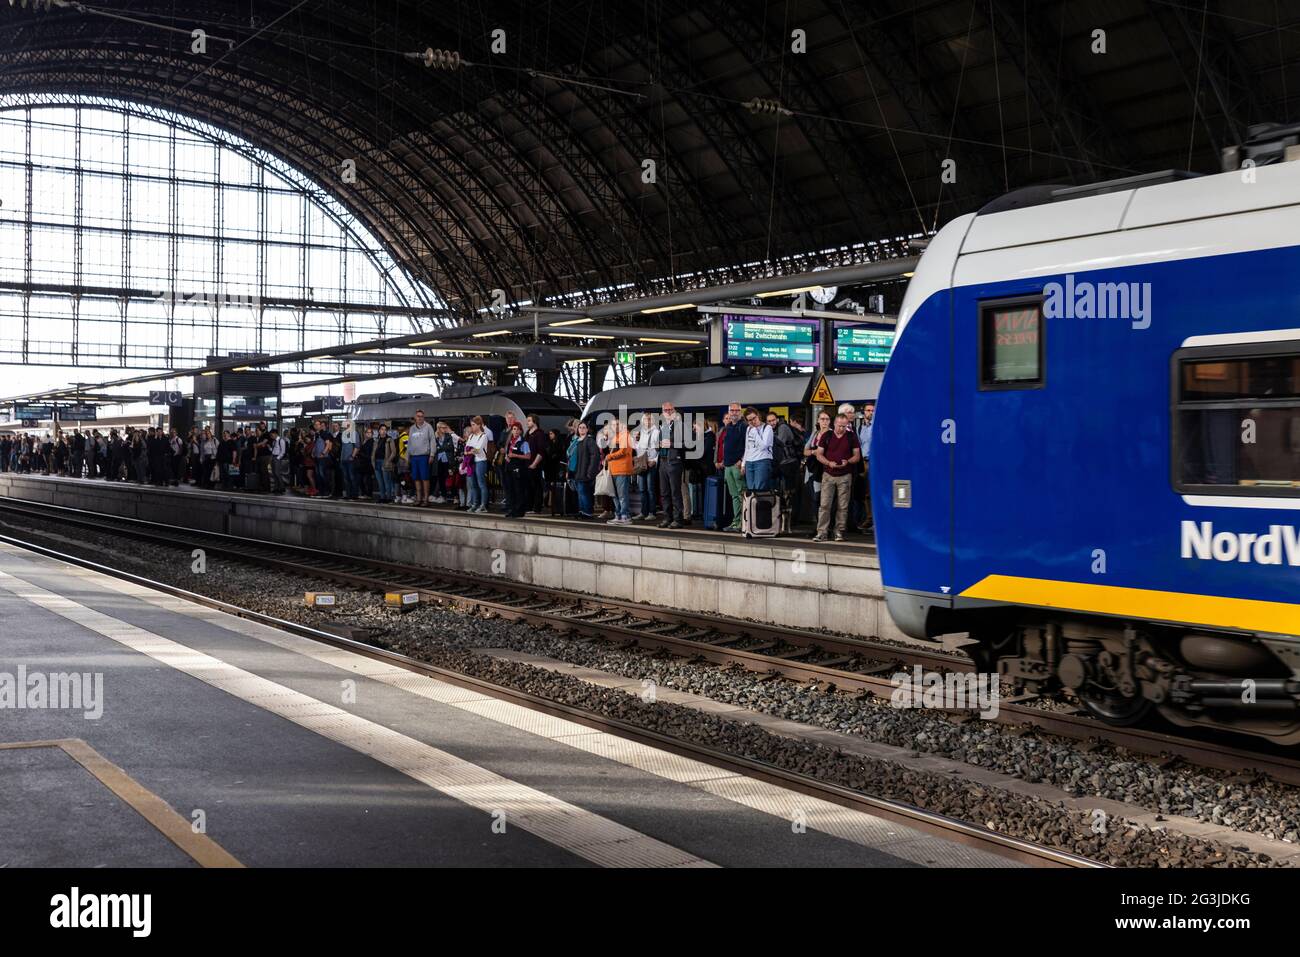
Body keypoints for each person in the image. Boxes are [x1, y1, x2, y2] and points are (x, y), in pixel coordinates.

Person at [814, 413, 861, 542]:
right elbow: (819, 454)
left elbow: (857, 456)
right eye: (839, 426)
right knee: (824, 505)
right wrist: (828, 463)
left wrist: (849, 461)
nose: (841, 429)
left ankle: (839, 531)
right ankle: (822, 532)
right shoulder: (826, 436)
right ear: (834, 423)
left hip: (845, 475)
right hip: (828, 474)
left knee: (843, 506)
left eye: (844, 426)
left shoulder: (851, 437)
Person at [656, 402, 686, 529]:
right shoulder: (662, 427)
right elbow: (660, 444)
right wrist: (658, 445)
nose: (668, 412)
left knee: (675, 492)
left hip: (674, 462)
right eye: (665, 410)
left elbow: (688, 444)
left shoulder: (681, 426)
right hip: (663, 462)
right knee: (664, 493)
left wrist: (671, 443)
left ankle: (678, 519)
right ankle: (667, 518)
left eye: (670, 409)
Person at [717, 403, 747, 531]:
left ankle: (743, 523)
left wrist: (742, 460)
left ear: (740, 412)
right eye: (732, 410)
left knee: (741, 495)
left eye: (737, 410)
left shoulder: (744, 426)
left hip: (737, 465)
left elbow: (748, 445)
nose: (734, 413)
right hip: (728, 466)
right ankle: (736, 522)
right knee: (734, 495)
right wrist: (724, 460)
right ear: (728, 412)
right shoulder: (728, 427)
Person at [605, 417, 634, 525]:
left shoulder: (625, 435)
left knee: (622, 495)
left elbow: (623, 451)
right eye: (613, 425)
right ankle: (618, 515)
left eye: (617, 424)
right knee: (615, 495)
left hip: (622, 469)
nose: (615, 427)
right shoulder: (614, 437)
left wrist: (610, 456)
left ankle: (625, 516)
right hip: (614, 469)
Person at [803, 409, 831, 520]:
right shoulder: (815, 434)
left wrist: (814, 452)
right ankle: (817, 524)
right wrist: (815, 452)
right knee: (815, 498)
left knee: (825, 498)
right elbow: (805, 451)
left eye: (827, 419)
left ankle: (826, 525)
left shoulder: (832, 434)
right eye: (822, 419)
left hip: (826, 469)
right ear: (818, 420)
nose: (824, 421)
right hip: (813, 470)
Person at [633, 411, 659, 521]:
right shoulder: (641, 432)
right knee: (642, 489)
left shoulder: (657, 432)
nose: (647, 421)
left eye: (649, 419)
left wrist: (655, 460)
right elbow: (638, 448)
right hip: (642, 464)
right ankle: (643, 512)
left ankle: (652, 513)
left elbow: (660, 448)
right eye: (645, 419)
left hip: (651, 463)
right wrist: (635, 440)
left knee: (650, 489)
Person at [740, 406, 773, 491]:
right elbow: (747, 447)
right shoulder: (748, 429)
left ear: (758, 415)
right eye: (749, 420)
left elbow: (763, 446)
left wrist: (754, 431)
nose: (753, 421)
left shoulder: (767, 428)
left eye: (754, 418)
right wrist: (743, 464)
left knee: (759, 490)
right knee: (751, 490)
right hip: (749, 462)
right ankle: (752, 505)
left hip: (762, 461)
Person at [406, 410, 434, 506]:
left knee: (425, 478)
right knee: (416, 478)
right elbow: (409, 443)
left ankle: (426, 499)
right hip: (414, 457)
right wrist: (407, 457)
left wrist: (432, 454)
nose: (420, 418)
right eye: (418, 416)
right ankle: (418, 499)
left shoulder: (428, 427)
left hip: (424, 456)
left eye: (422, 416)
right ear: (415, 417)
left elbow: (432, 441)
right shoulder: (412, 428)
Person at [464, 415, 492, 512]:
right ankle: (475, 504)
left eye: (473, 425)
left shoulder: (483, 436)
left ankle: (483, 505)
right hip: (472, 462)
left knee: (481, 484)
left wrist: (470, 451)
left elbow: (478, 449)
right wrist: (470, 451)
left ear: (479, 425)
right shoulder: (471, 436)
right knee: (473, 484)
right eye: (471, 425)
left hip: (480, 462)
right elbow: (466, 448)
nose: (472, 427)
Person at [573, 420, 600, 519]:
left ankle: (588, 512)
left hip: (585, 472)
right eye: (580, 427)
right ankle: (582, 511)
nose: (582, 429)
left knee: (584, 493)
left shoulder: (589, 441)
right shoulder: (577, 441)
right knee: (580, 493)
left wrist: (590, 472)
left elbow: (595, 456)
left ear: (587, 429)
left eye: (584, 427)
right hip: (577, 472)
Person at [524, 415, 548, 514]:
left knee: (536, 486)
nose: (527, 422)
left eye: (529, 421)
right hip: (526, 463)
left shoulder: (539, 434)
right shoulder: (527, 434)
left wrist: (534, 463)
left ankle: (536, 507)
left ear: (535, 422)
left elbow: (541, 451)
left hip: (535, 464)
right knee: (528, 486)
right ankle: (529, 506)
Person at [857, 402, 875, 532]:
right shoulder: (859, 428)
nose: (871, 412)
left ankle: (872, 520)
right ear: (864, 412)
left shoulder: (878, 426)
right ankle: (869, 518)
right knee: (865, 493)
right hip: (863, 462)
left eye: (873, 410)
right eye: (868, 410)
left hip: (875, 461)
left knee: (874, 492)